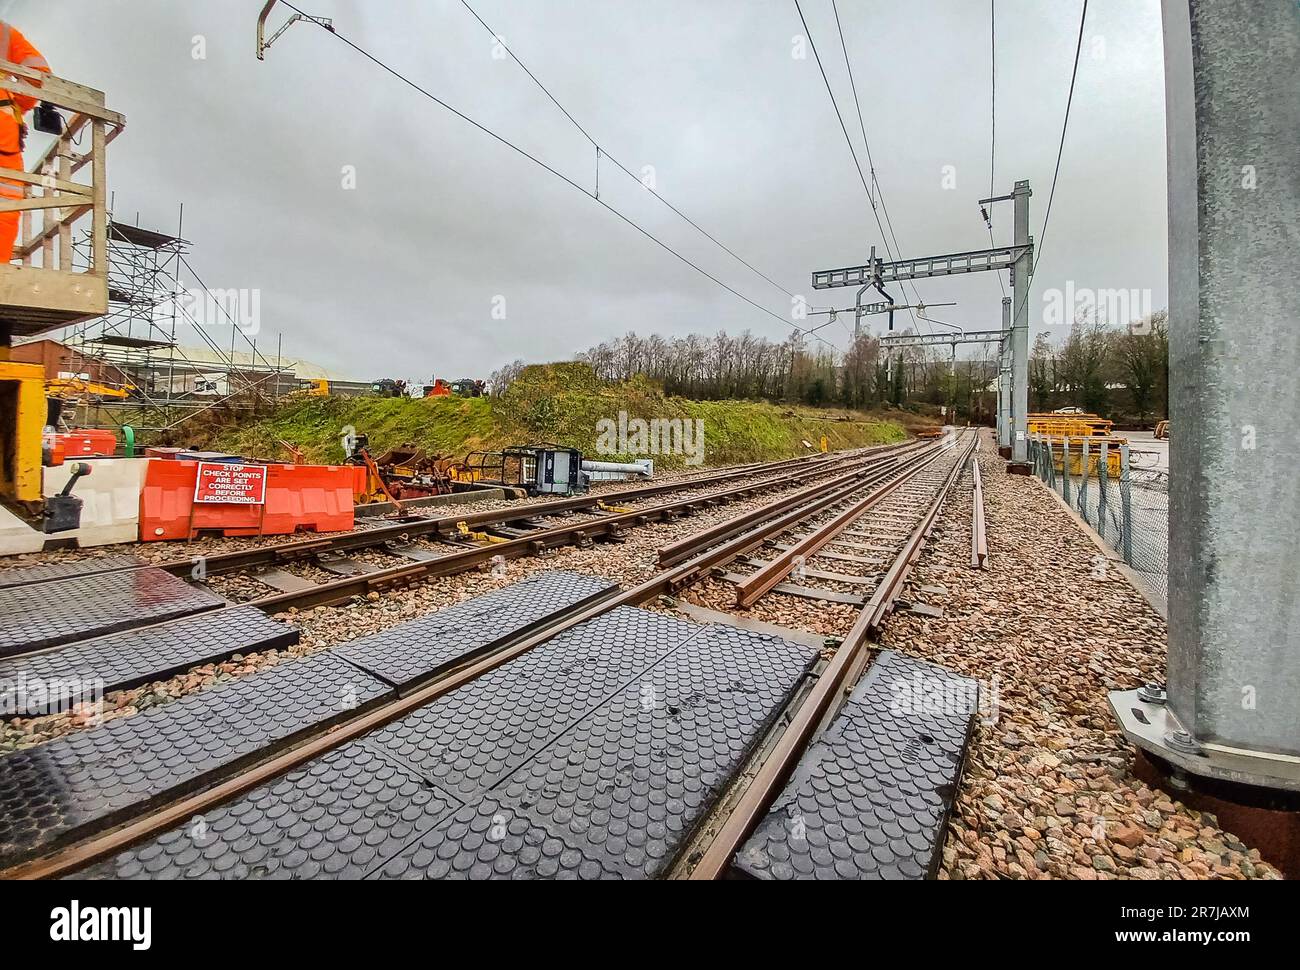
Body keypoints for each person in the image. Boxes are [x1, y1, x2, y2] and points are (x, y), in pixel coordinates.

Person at [0, 22, 51, 261]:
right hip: (3, 135)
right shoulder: (3, 32)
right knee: (5, 204)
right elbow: (39, 76)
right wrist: (13, 103)